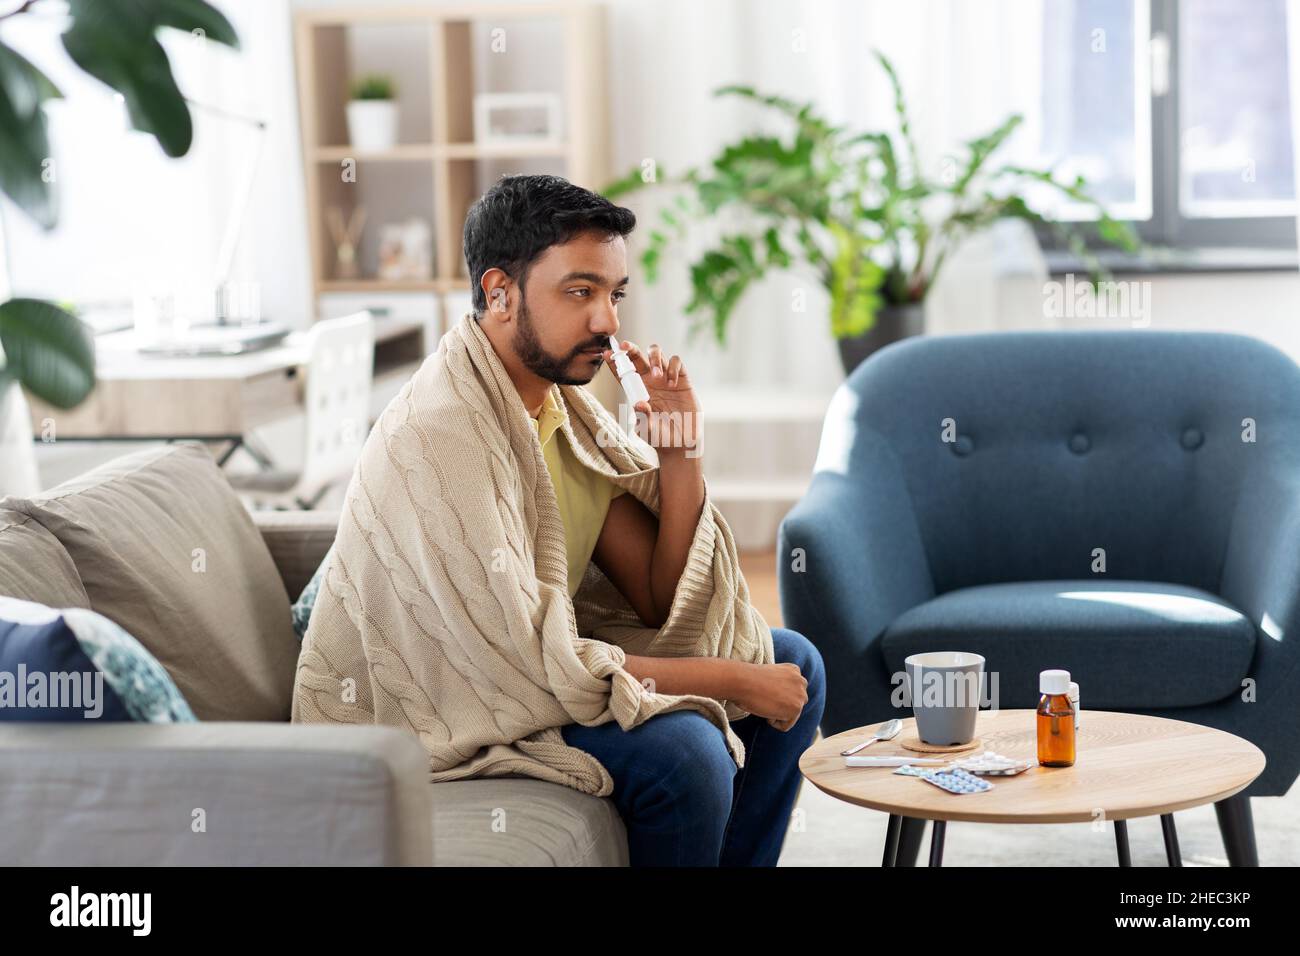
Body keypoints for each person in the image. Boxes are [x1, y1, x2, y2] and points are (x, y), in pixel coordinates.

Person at [464, 175, 824, 866]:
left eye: (614, 294)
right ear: (499, 293)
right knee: (687, 752)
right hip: (478, 702)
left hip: (543, 667)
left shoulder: (562, 420)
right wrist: (734, 682)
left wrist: (678, 449)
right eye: (580, 292)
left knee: (794, 660)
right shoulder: (455, 433)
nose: (608, 321)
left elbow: (659, 598)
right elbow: (523, 665)